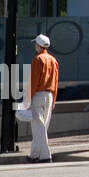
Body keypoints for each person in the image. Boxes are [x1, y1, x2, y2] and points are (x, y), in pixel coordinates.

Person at [27, 34, 59, 163]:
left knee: (38, 126)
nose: (35, 46)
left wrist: (28, 99)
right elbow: (55, 82)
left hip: (38, 95)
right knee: (42, 126)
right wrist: (54, 100)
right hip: (49, 95)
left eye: (36, 44)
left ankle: (45, 155)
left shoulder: (37, 59)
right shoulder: (53, 60)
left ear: (39, 46)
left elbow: (33, 81)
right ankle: (34, 153)